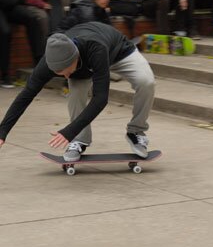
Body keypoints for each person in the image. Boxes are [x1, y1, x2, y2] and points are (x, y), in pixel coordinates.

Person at [0, 22, 155, 163]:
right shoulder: (50, 60)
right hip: (85, 64)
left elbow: (101, 99)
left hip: (120, 52)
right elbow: (26, 94)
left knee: (146, 81)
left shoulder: (95, 47)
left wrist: (68, 131)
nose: (66, 76)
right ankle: (80, 139)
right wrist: (3, 130)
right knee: (75, 93)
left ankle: (136, 131)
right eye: (59, 73)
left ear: (75, 57)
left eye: (66, 71)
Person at [0, 0, 46, 88]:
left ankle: (39, 65)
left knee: (32, 18)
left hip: (13, 6)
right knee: (5, 32)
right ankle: (5, 75)